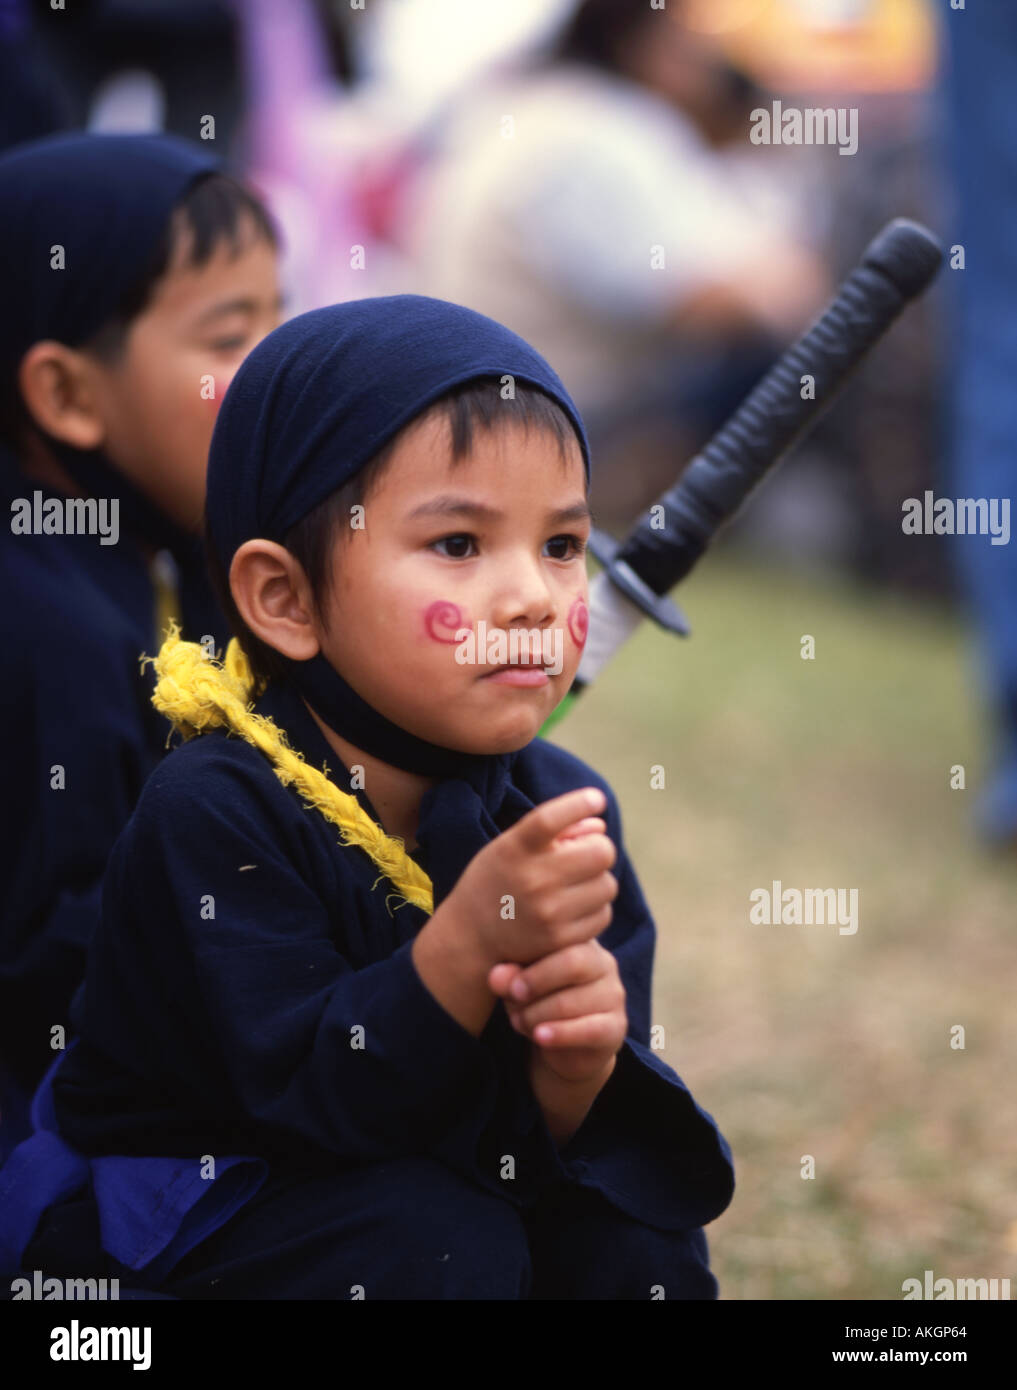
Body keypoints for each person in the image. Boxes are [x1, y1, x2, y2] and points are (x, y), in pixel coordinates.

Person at [1, 295, 734, 1300]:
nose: (532, 596)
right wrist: (463, 950)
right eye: (460, 546)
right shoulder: (215, 807)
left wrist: (573, 1080)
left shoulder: (562, 808)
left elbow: (544, 1141)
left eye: (563, 545)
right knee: (432, 1242)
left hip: (430, 1181)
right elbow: (310, 1105)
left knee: (634, 1241)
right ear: (286, 600)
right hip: (195, 1201)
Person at [0, 133, 283, 1149]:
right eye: (226, 337)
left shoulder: (172, 554)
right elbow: (64, 965)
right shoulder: (46, 627)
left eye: (277, 320)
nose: (275, 369)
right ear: (68, 395)